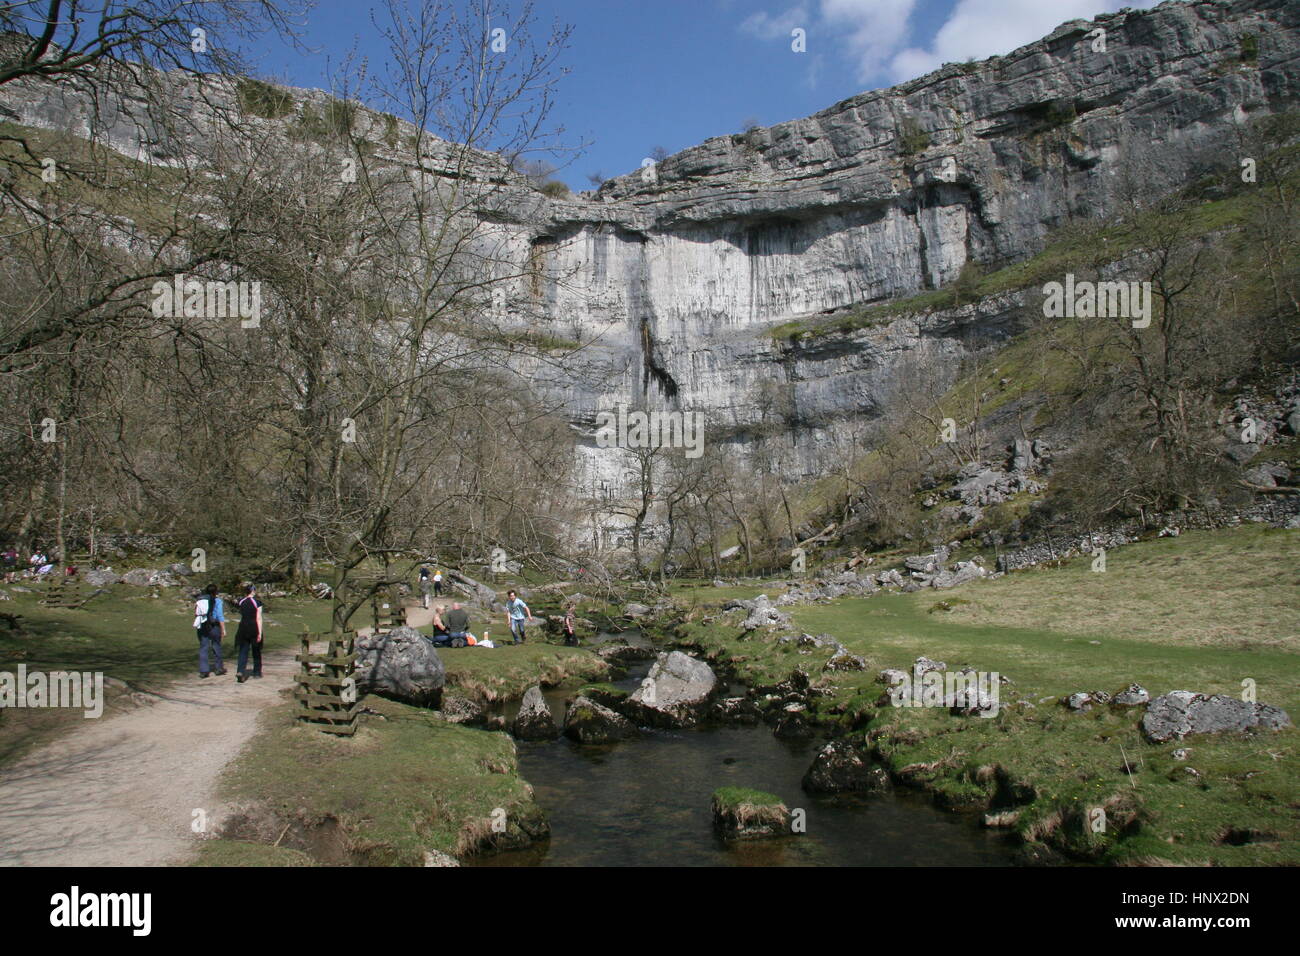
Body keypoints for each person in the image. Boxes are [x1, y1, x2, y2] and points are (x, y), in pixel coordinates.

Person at [194, 584, 227, 678]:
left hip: (203, 625)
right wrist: (223, 629)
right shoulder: (218, 601)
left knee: (203, 647)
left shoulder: (200, 600)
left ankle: (204, 670)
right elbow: (220, 616)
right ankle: (218, 668)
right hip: (214, 625)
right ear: (216, 592)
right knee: (216, 646)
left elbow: (196, 613)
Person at [234, 584, 264, 683]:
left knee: (243, 650)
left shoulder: (241, 602)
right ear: (253, 591)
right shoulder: (257, 602)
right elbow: (258, 618)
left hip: (243, 627)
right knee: (256, 650)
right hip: (253, 627)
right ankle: (257, 672)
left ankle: (240, 670)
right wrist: (259, 632)